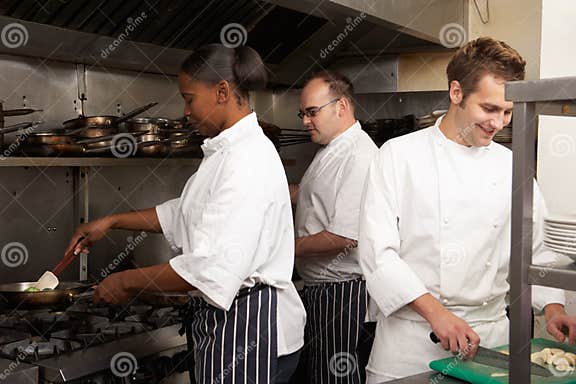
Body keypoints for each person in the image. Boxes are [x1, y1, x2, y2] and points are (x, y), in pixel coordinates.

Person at [65, 44, 306, 384]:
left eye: (189, 98)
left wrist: (125, 280)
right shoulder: (226, 152)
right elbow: (184, 213)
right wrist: (112, 221)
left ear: (222, 91)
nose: (185, 111)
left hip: (252, 336)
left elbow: (210, 268)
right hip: (232, 327)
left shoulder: (247, 160)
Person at [358, 36, 576, 382]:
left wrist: (553, 307)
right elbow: (378, 254)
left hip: (491, 339)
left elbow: (537, 249)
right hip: (412, 340)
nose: (499, 123)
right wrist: (437, 314)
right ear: (456, 92)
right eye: (489, 109)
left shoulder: (511, 165)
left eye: (508, 111)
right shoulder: (398, 156)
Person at [290, 71, 378, 384]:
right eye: (303, 113)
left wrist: (281, 249)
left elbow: (343, 236)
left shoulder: (359, 155)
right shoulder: (332, 148)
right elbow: (312, 194)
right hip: (322, 290)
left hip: (342, 292)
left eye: (312, 112)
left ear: (340, 106)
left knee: (335, 378)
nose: (304, 121)